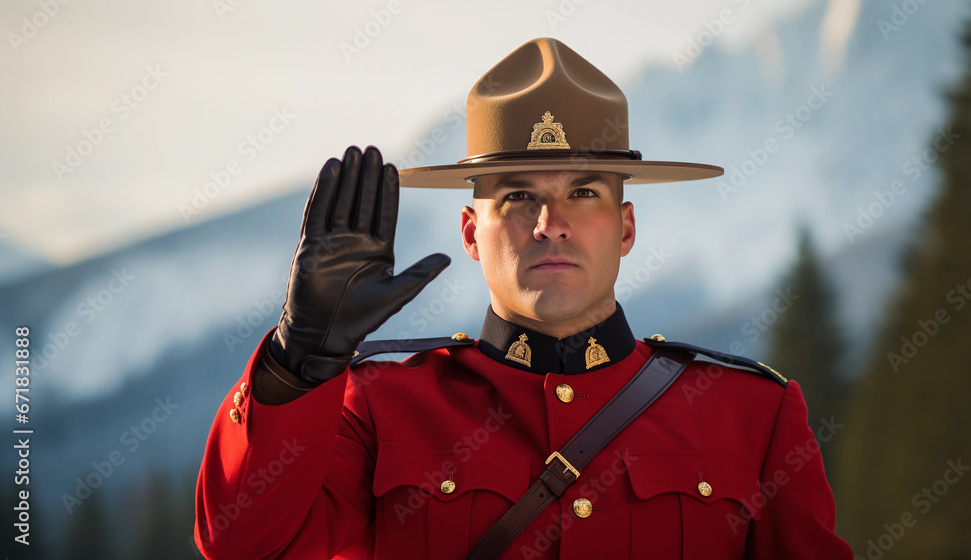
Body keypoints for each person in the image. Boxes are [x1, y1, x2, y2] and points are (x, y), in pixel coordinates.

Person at [194, 37, 853, 559]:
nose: (550, 223)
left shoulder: (752, 416)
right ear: (470, 232)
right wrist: (296, 362)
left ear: (626, 227)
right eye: (517, 197)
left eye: (583, 193)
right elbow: (242, 544)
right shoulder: (376, 407)